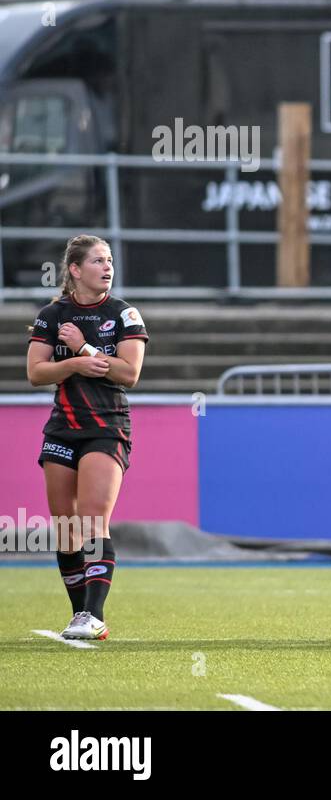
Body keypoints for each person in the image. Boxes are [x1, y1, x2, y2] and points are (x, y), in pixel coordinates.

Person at [26, 234, 149, 642]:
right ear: (75, 270)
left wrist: (85, 348)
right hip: (62, 426)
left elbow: (128, 373)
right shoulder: (52, 314)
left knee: (94, 517)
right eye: (98, 261)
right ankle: (79, 613)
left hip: (107, 425)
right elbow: (36, 373)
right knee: (64, 528)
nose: (107, 267)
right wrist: (80, 363)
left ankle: (94, 614)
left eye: (110, 260)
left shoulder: (125, 314)